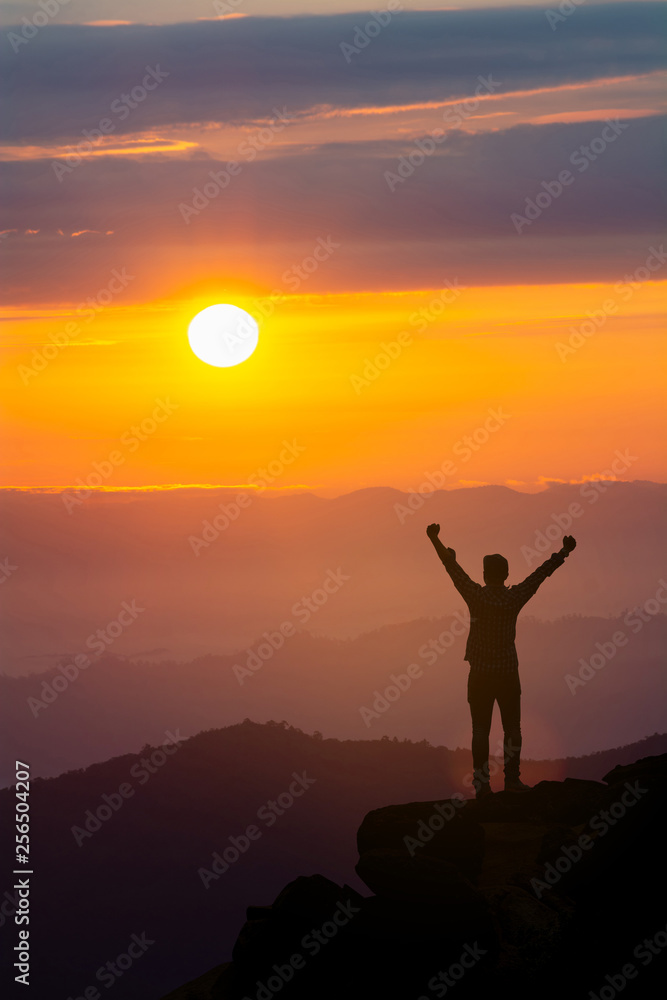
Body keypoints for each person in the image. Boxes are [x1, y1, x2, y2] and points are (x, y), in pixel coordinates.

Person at [426, 523, 576, 798]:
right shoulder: (514, 597)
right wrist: (563, 552)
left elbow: (451, 569)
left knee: (480, 729)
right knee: (512, 729)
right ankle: (512, 780)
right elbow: (539, 575)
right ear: (506, 574)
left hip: (480, 674)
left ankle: (482, 785)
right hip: (508, 673)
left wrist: (434, 539)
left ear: (484, 575)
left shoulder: (475, 596)